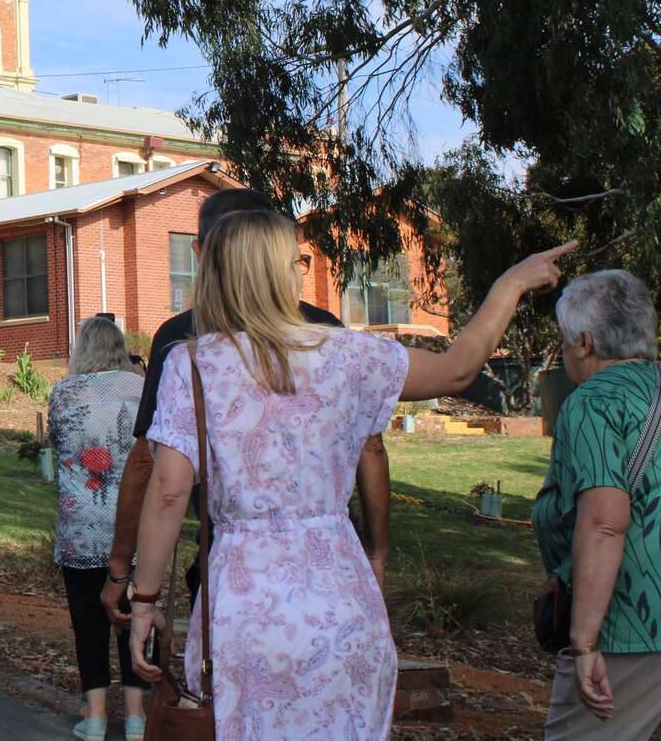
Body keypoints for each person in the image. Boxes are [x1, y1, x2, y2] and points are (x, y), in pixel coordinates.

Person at [125, 210, 572, 738]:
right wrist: (511, 284)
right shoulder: (352, 355)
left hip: (244, 610)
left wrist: (145, 601)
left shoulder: (191, 364)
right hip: (339, 600)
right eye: (298, 261)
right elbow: (459, 367)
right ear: (281, 271)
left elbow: (170, 490)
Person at [102, 186, 391, 612]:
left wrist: (123, 570)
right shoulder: (328, 331)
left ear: (202, 251)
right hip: (330, 562)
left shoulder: (183, 340)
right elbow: (371, 446)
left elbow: (152, 465)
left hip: (233, 561)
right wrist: (377, 553)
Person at [535, 270, 661, 738]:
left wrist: (585, 643)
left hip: (633, 630)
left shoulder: (593, 401)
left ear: (585, 342)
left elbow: (605, 523)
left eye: (564, 341)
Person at [47, 315, 150, 741]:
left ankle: (93, 718)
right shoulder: (142, 390)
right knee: (134, 617)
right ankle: (137, 718)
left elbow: (55, 440)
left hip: (80, 526)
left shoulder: (64, 392)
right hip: (135, 528)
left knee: (87, 622)